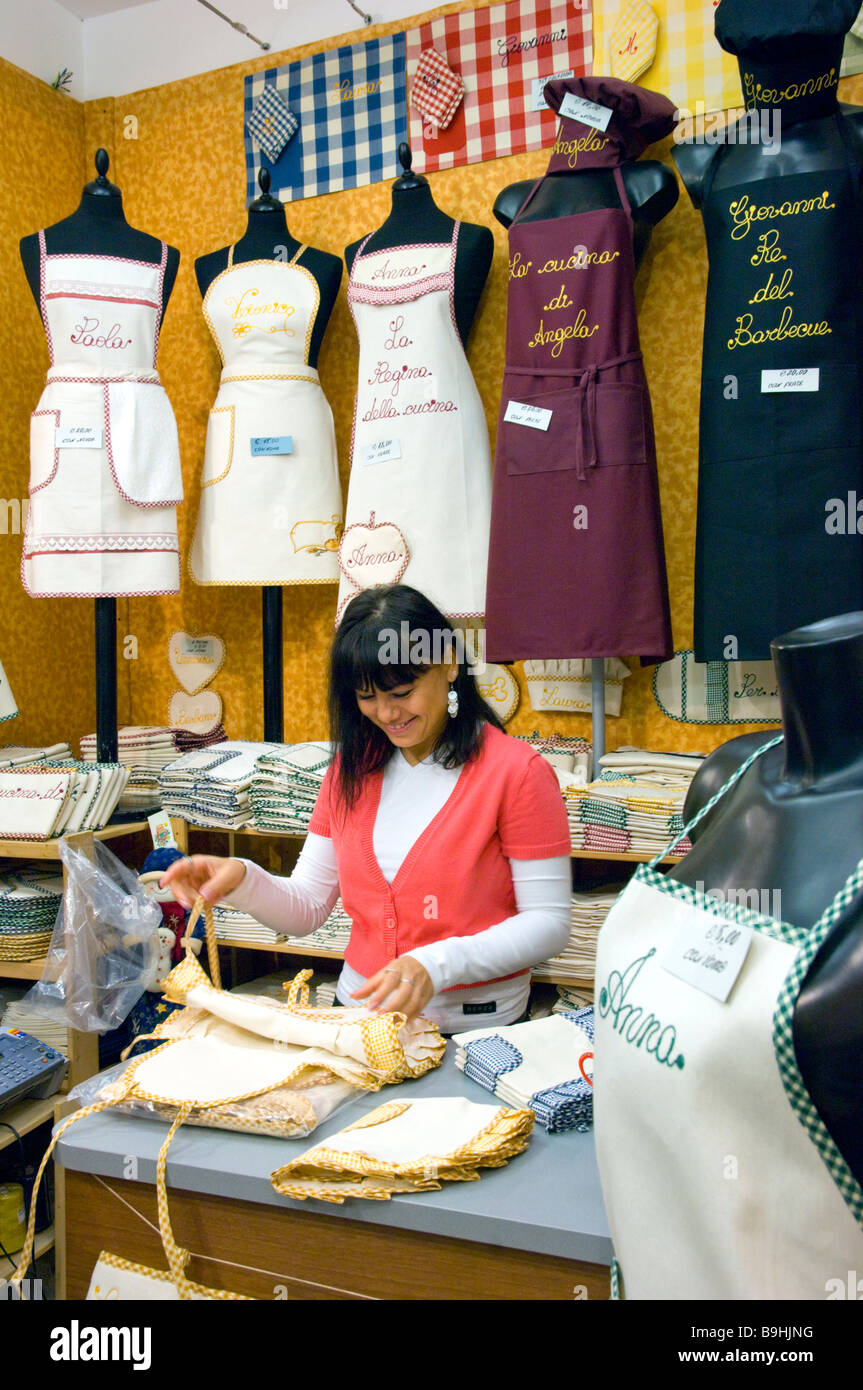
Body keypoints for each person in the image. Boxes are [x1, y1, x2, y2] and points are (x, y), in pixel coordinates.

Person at [161, 585, 572, 1031]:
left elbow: (548, 923)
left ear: (450, 663)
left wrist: (436, 965)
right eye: (367, 696)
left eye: (402, 691)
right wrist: (241, 878)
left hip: (474, 1032)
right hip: (358, 1021)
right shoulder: (352, 770)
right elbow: (308, 905)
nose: (386, 713)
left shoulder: (517, 772)